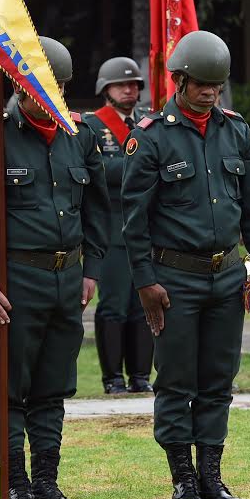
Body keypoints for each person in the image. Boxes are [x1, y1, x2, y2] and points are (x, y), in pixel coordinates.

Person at [0, 37, 109, 499]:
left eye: (58, 87)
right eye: (40, 87)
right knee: (10, 387)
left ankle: (46, 482)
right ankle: (17, 482)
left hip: (67, 280)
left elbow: (99, 208)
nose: (50, 95)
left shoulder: (79, 135)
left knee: (54, 385)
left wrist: (92, 270)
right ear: (19, 87)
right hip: (14, 279)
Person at [121, 30, 250, 499]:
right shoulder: (151, 138)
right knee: (176, 380)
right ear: (179, 80)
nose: (210, 93)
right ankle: (182, 479)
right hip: (174, 279)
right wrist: (145, 282)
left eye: (217, 85)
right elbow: (133, 220)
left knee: (217, 379)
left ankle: (212, 474)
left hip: (227, 275)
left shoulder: (235, 131)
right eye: (201, 84)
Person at [83, 56, 153, 394]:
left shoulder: (148, 123)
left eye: (134, 84)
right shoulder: (92, 126)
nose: (129, 89)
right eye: (121, 85)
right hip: (109, 229)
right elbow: (98, 171)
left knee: (144, 303)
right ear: (105, 89)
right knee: (113, 305)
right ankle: (113, 378)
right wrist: (139, 168)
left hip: (145, 229)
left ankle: (140, 375)